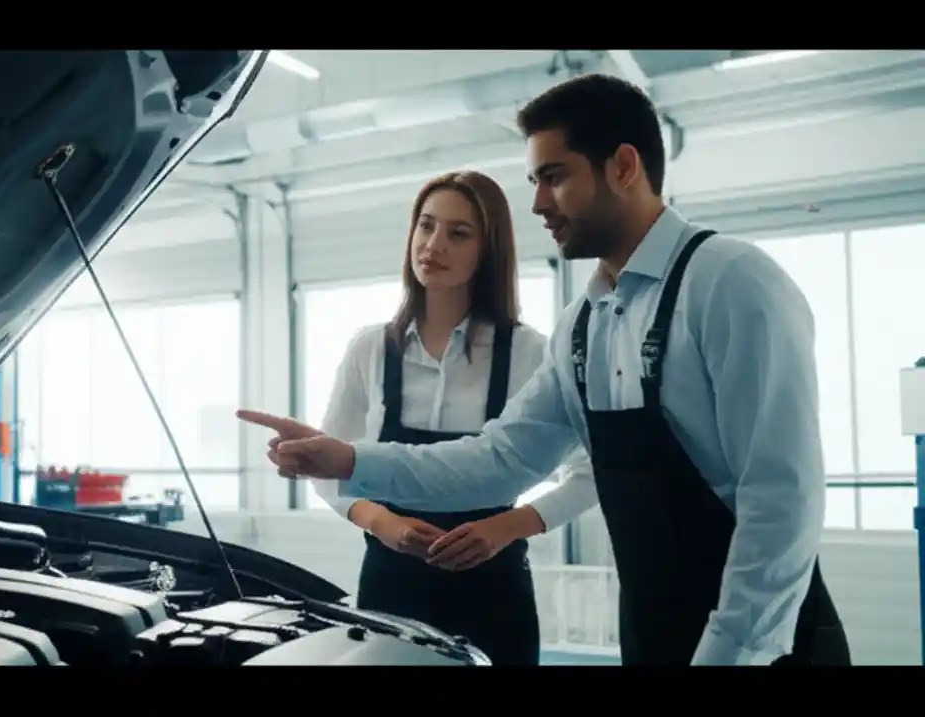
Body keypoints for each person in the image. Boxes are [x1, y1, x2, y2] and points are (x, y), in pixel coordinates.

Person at [239, 73, 852, 667]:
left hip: (762, 644)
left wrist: (728, 655)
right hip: (653, 630)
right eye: (534, 180)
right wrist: (346, 460)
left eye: (553, 178)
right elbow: (498, 460)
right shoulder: (585, 323)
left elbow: (781, 501)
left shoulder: (730, 281)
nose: (535, 203)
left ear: (623, 166)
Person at [311, 170, 597, 666]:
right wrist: (380, 520)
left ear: (489, 250)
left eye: (458, 233)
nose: (433, 245)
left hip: (494, 594)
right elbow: (329, 472)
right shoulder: (371, 348)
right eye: (426, 226)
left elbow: (592, 470)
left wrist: (508, 526)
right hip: (390, 588)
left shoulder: (529, 353)